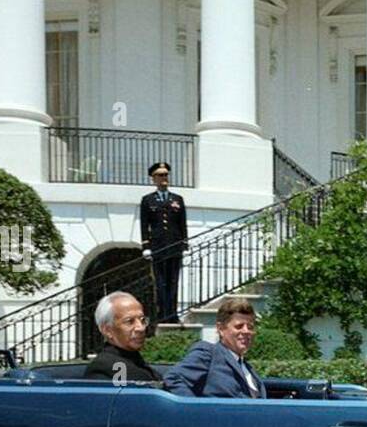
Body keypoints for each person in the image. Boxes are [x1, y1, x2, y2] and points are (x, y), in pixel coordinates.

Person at [163, 297, 268, 398]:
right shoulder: (209, 354)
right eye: (239, 326)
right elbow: (174, 379)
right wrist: (195, 410)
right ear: (221, 329)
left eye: (250, 327)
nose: (246, 331)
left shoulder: (248, 368)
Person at [140, 161, 188, 324]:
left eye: (166, 174)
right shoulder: (148, 200)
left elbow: (182, 223)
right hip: (158, 246)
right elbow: (144, 224)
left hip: (174, 245)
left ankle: (172, 314)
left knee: (173, 281)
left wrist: (184, 242)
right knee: (160, 282)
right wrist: (146, 245)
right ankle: (162, 314)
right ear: (153, 178)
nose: (164, 178)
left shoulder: (177, 199)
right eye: (160, 175)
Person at [85, 291, 161, 383]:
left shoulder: (137, 362)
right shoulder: (104, 368)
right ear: (107, 330)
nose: (140, 328)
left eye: (143, 320)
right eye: (129, 321)